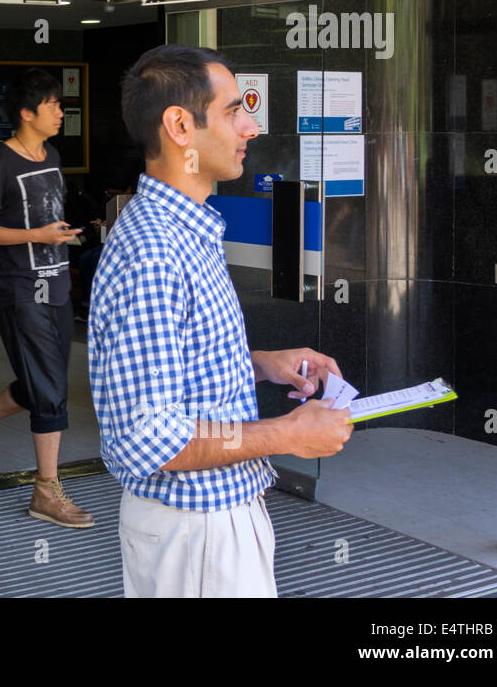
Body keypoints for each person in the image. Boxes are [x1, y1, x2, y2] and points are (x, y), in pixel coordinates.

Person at [89, 44, 353, 597]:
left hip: (209, 527)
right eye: (234, 110)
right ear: (180, 125)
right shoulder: (156, 249)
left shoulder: (187, 227)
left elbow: (173, 366)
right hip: (197, 536)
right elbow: (148, 438)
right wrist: (286, 434)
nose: (251, 127)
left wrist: (257, 364)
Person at [0, 68, 92, 528]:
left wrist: (61, 235)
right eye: (52, 104)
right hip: (19, 289)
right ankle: (45, 492)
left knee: (41, 385)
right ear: (27, 113)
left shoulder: (51, 153)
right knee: (49, 393)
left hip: (55, 286)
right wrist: (36, 234)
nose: (59, 110)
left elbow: (48, 215)